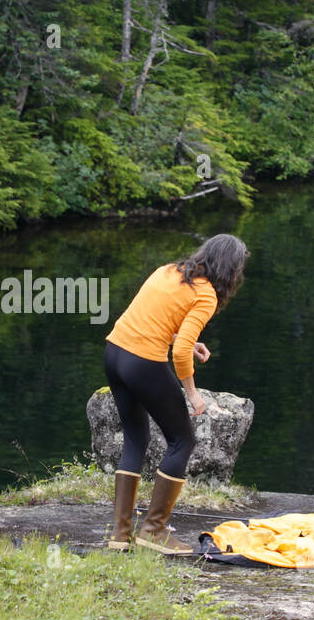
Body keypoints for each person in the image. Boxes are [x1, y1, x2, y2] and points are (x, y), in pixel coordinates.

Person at [102, 234, 249, 553]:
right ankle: (154, 531)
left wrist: (182, 338)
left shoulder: (168, 270)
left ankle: (120, 535)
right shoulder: (207, 293)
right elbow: (181, 353)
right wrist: (193, 393)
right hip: (142, 362)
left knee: (135, 438)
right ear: (231, 269)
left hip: (114, 352)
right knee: (182, 440)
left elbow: (151, 318)